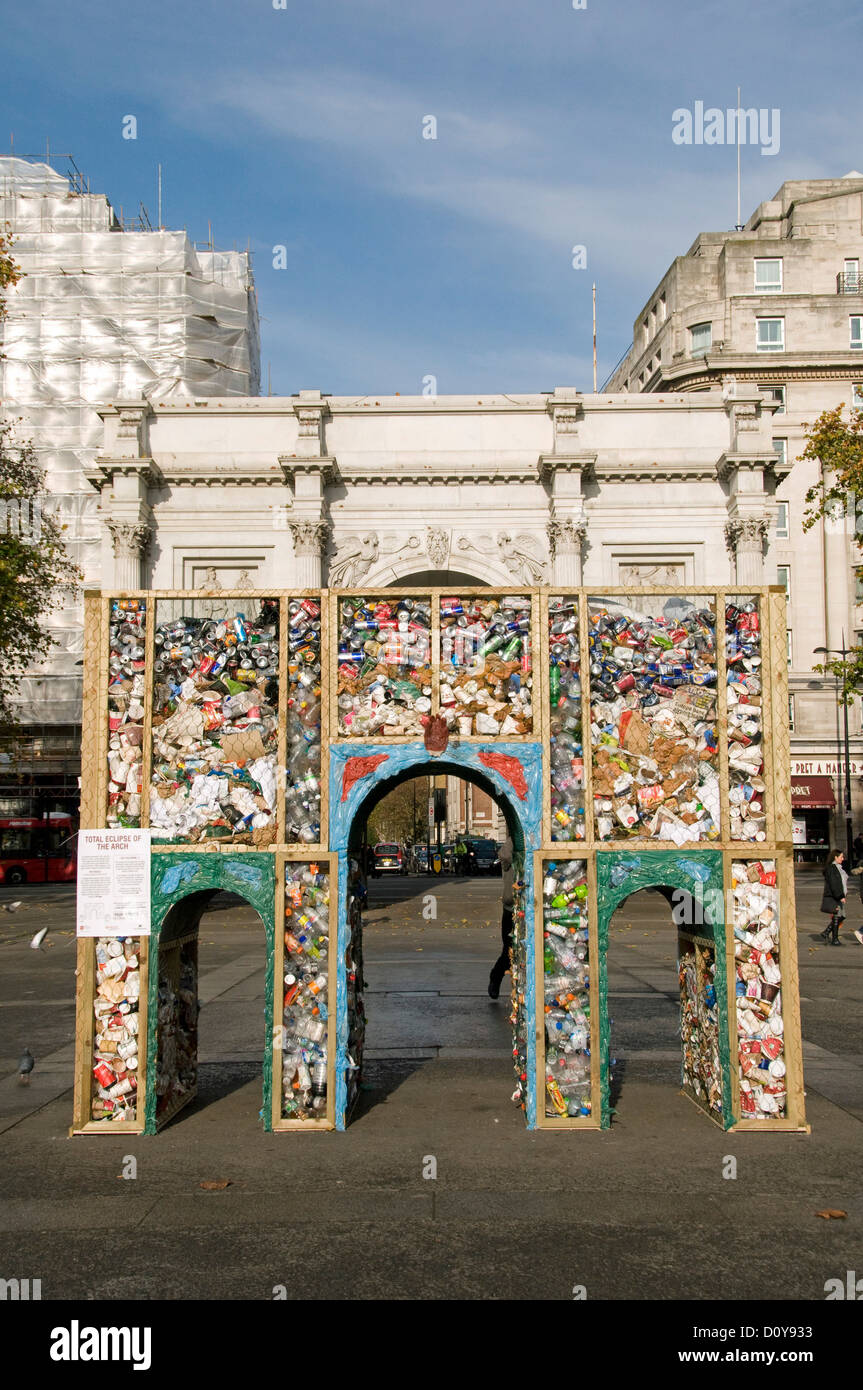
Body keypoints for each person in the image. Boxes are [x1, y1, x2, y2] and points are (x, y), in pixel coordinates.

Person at [488, 838, 515, 1000]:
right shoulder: (518, 839)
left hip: (532, 905)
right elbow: (504, 855)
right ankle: (496, 976)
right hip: (512, 906)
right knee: (509, 950)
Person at [819, 848, 848, 946]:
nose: (843, 859)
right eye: (841, 857)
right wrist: (840, 896)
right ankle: (834, 939)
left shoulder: (838, 868)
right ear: (835, 857)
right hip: (834, 896)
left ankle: (826, 932)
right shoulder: (832, 868)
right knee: (837, 916)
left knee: (841, 916)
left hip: (838, 895)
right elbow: (834, 884)